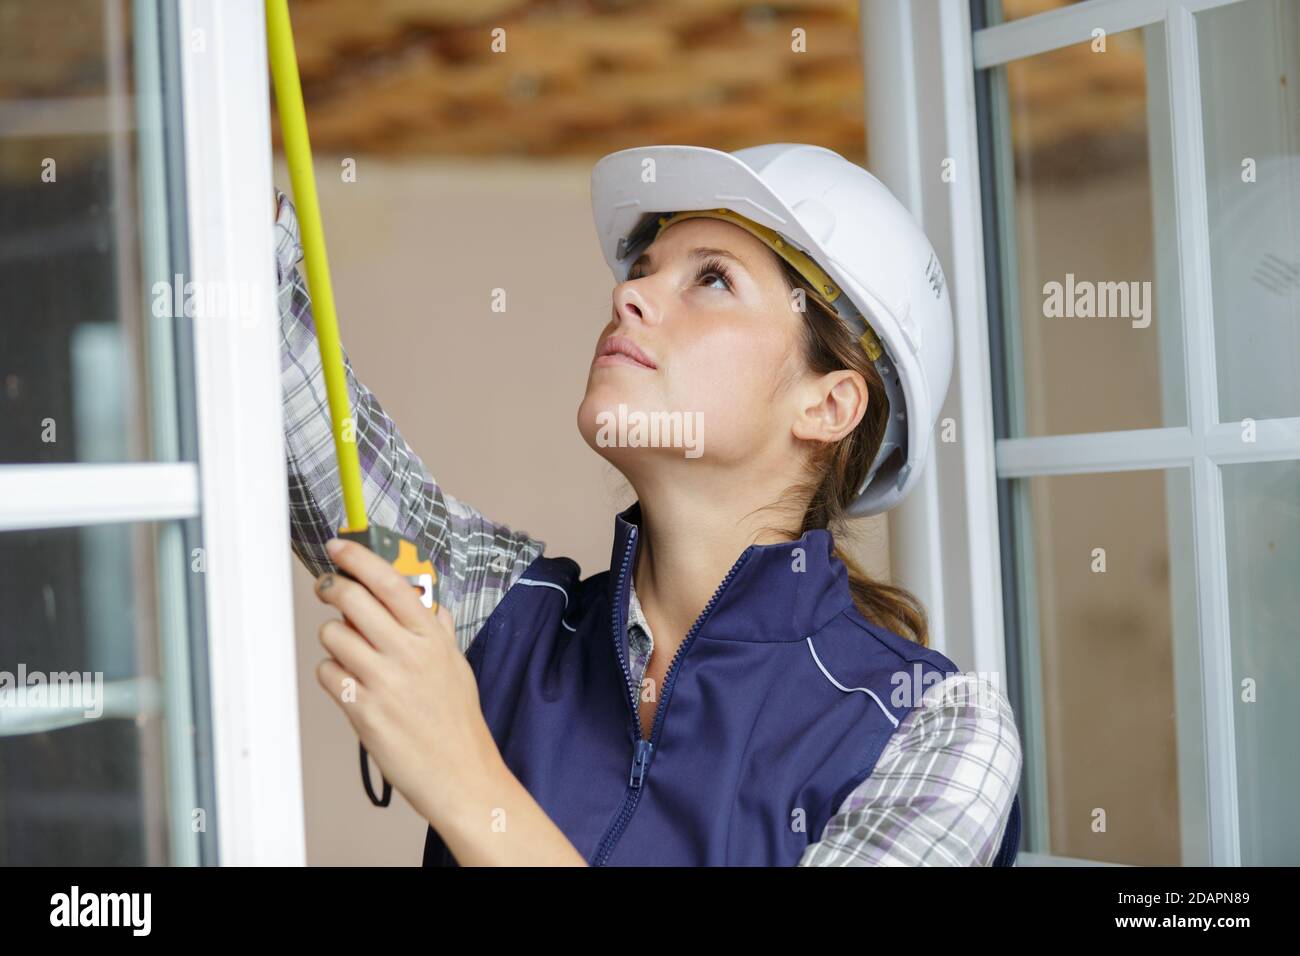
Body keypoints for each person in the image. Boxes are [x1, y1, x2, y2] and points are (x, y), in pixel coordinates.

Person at [275, 143, 1023, 866]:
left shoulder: (932, 733)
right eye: (643, 269)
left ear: (829, 405)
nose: (626, 293)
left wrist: (463, 779)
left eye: (714, 281)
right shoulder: (506, 618)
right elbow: (298, 403)